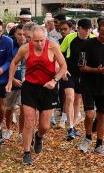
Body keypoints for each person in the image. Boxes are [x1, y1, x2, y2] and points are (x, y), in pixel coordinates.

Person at [7, 26, 66, 165]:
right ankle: (26, 152)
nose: (39, 44)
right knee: (29, 122)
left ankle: (39, 137)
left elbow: (64, 65)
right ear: (31, 39)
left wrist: (54, 80)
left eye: (42, 40)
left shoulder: (53, 47)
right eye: (36, 41)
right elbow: (14, 62)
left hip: (48, 88)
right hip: (30, 88)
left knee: (44, 126)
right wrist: (10, 81)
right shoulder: (25, 49)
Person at [77, 19, 104, 155]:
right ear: (97, 31)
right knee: (89, 114)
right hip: (88, 84)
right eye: (103, 34)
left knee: (102, 115)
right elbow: (81, 67)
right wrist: (97, 70)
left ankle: (99, 144)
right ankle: (88, 137)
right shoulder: (87, 44)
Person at [59, 19, 90, 141]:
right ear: (79, 28)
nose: (87, 32)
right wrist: (63, 69)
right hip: (69, 72)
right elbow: (59, 53)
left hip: (83, 75)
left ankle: (74, 125)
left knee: (77, 99)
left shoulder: (93, 38)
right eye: (85, 29)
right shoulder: (70, 38)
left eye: (89, 29)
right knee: (69, 97)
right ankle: (70, 128)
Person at [2, 25, 27, 142]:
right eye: (19, 34)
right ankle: (8, 128)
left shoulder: (30, 47)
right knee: (9, 108)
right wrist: (12, 80)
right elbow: (6, 64)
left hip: (26, 83)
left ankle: (21, 132)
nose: (22, 37)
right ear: (15, 34)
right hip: (11, 82)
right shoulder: (10, 46)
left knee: (23, 108)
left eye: (24, 34)